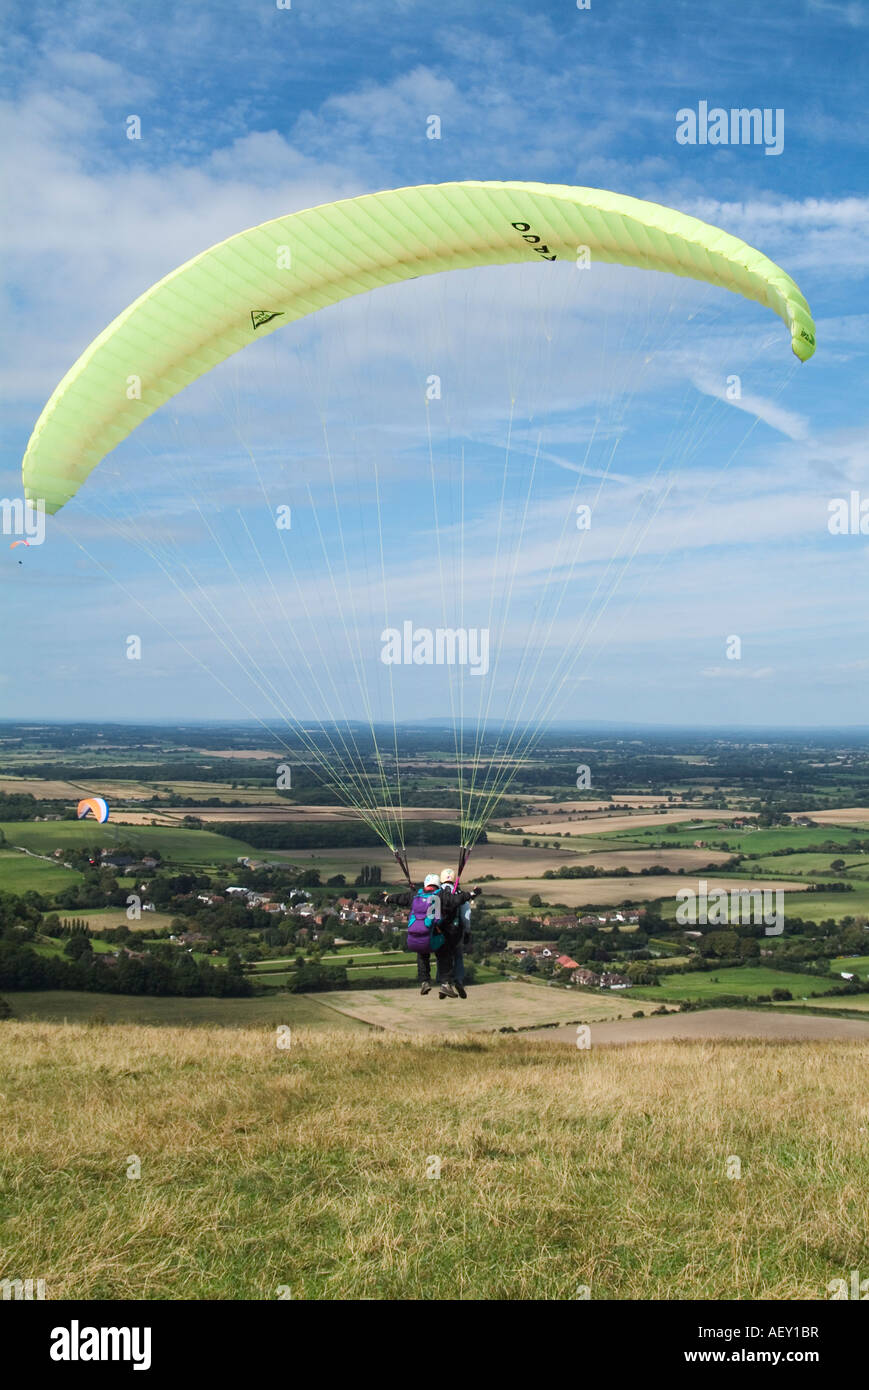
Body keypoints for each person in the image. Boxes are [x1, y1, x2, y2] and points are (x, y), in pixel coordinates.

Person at [384, 872, 456, 998]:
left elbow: (401, 898)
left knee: (422, 954)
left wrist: (387, 898)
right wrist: (471, 895)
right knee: (445, 954)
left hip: (419, 936)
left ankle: (424, 981)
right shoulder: (441, 895)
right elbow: (456, 900)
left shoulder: (416, 895)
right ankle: (445, 984)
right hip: (435, 935)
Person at [436, 868, 481, 1000]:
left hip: (440, 931)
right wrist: (467, 931)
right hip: (456, 932)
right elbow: (466, 914)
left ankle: (444, 983)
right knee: (457, 956)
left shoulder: (437, 893)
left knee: (442, 957)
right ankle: (459, 981)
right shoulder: (459, 893)